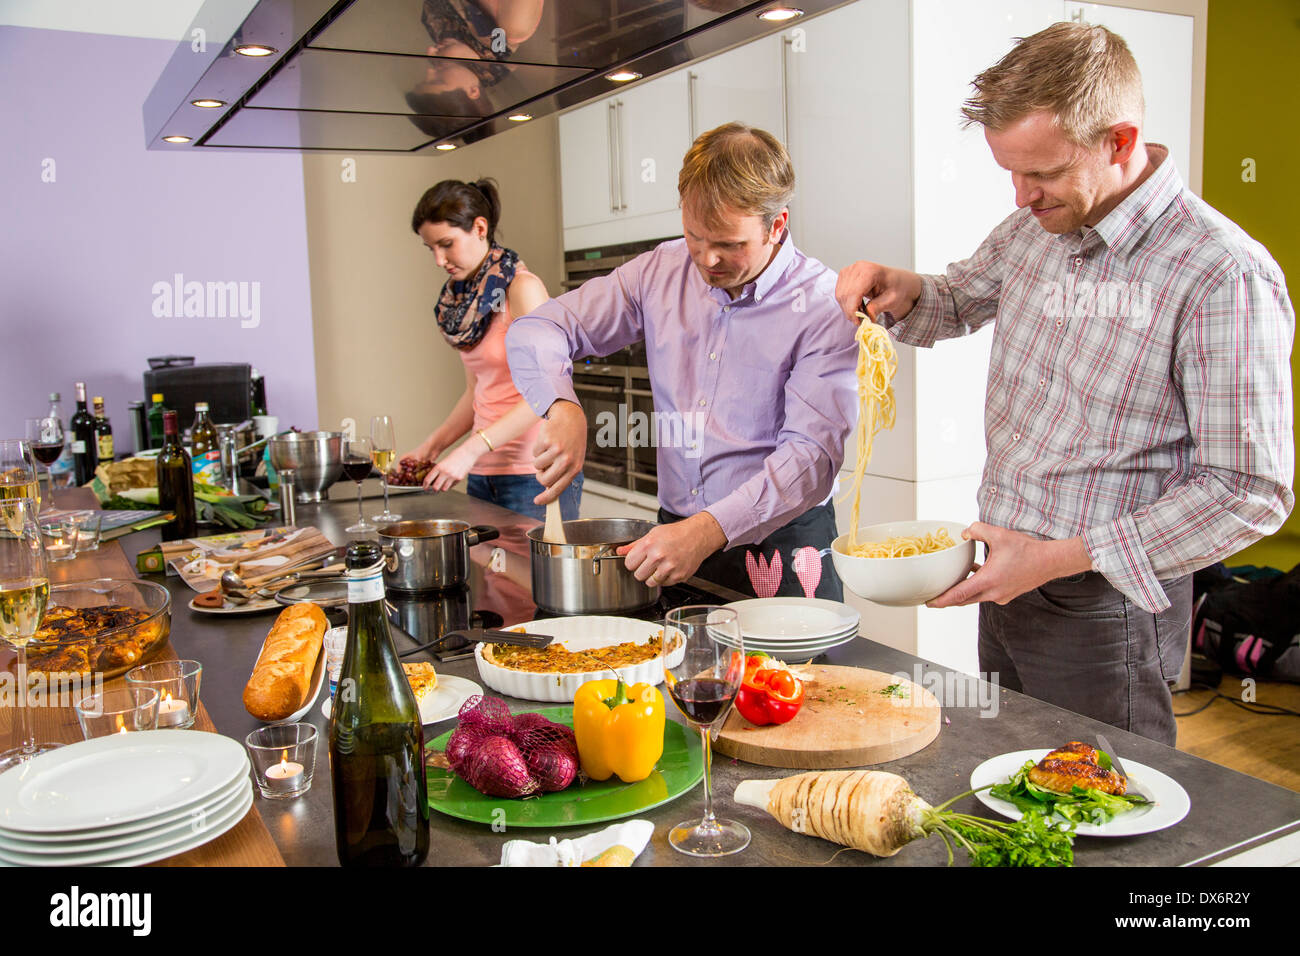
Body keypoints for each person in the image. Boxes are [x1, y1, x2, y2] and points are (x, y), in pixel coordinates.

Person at [835, 22, 1295, 744]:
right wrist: (902, 286)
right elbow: (956, 297)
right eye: (1010, 172)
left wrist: (1062, 557)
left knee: (1104, 807)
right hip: (1006, 574)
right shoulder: (1033, 232)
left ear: (1119, 140)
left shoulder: (1219, 272)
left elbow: (1249, 490)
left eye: (1041, 173)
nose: (1021, 196)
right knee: (1014, 779)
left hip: (1107, 602)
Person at [506, 123, 859, 599]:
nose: (708, 259)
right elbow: (539, 328)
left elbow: (811, 458)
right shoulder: (660, 270)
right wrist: (562, 406)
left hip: (781, 545)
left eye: (731, 244)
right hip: (673, 537)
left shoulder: (821, 304)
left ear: (777, 225)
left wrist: (706, 531)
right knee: (678, 675)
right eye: (695, 235)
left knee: (795, 677)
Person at [402, 178, 584, 522]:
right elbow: (477, 393)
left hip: (534, 473)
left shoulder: (522, 288)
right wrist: (432, 448)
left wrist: (469, 450)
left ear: (480, 228)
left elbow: (549, 391)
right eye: (431, 249)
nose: (439, 260)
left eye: (446, 244)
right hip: (484, 474)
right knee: (490, 577)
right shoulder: (467, 306)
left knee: (539, 577)